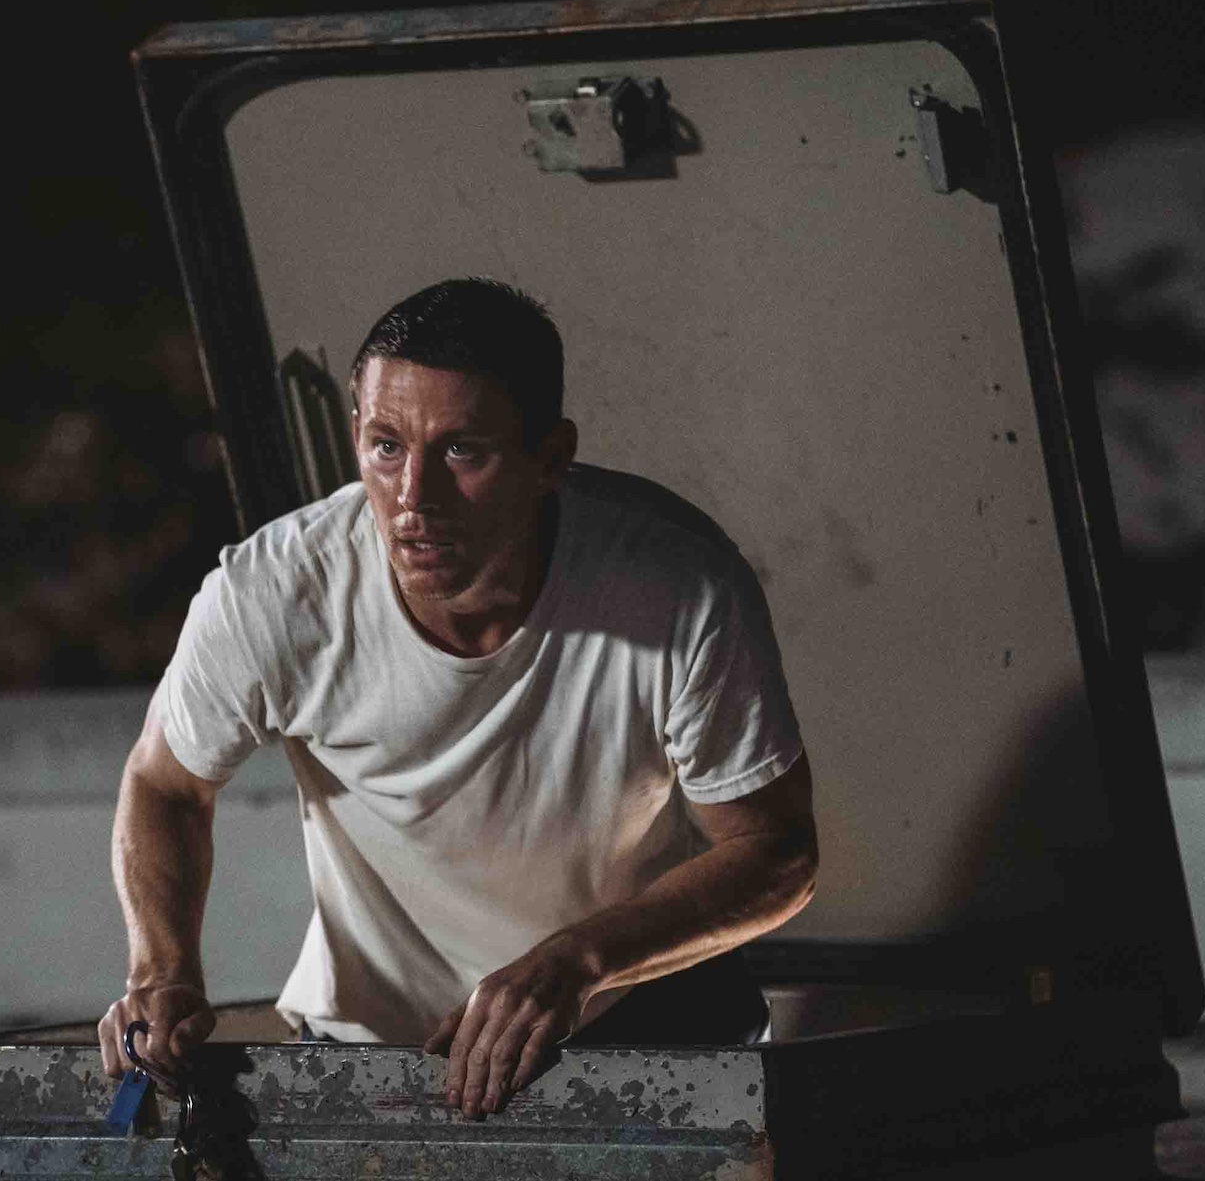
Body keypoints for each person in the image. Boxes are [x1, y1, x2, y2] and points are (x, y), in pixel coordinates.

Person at [100, 278, 817, 1119]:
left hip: (639, 1016)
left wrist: (575, 961)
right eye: (385, 446)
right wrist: (161, 971)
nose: (414, 499)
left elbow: (773, 850)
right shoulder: (273, 591)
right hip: (376, 1049)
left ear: (550, 457)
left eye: (462, 452)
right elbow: (165, 783)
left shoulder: (677, 584)